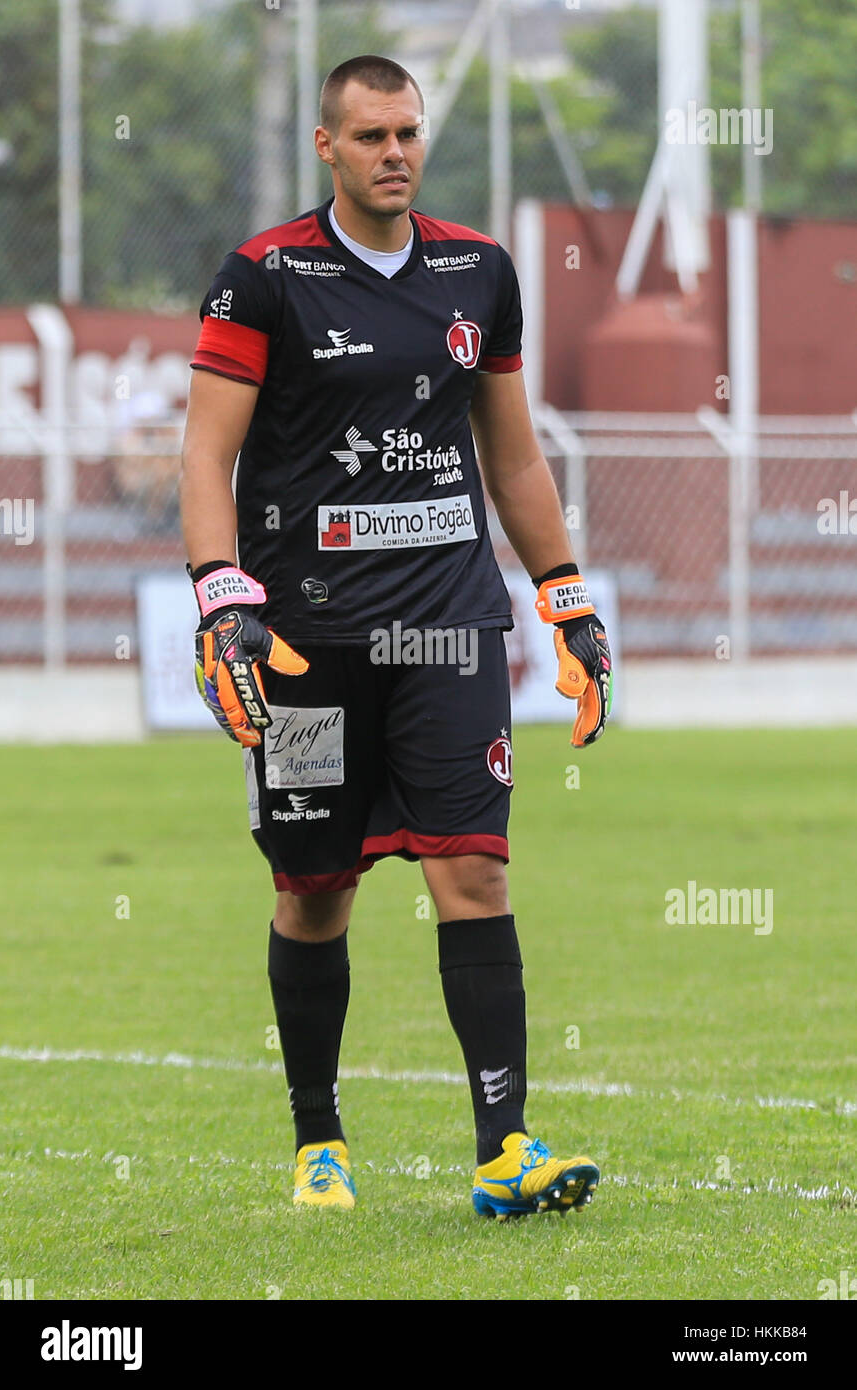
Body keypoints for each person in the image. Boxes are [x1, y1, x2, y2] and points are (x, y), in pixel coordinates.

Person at [179, 54, 612, 1220]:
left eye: (408, 133)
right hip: (303, 647)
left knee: (471, 867)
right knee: (314, 890)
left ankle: (504, 1149)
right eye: (370, 136)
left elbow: (510, 457)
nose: (394, 153)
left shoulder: (479, 273)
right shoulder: (263, 277)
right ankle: (319, 1138)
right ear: (327, 146)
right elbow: (204, 457)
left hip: (449, 627)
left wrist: (563, 595)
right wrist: (222, 595)